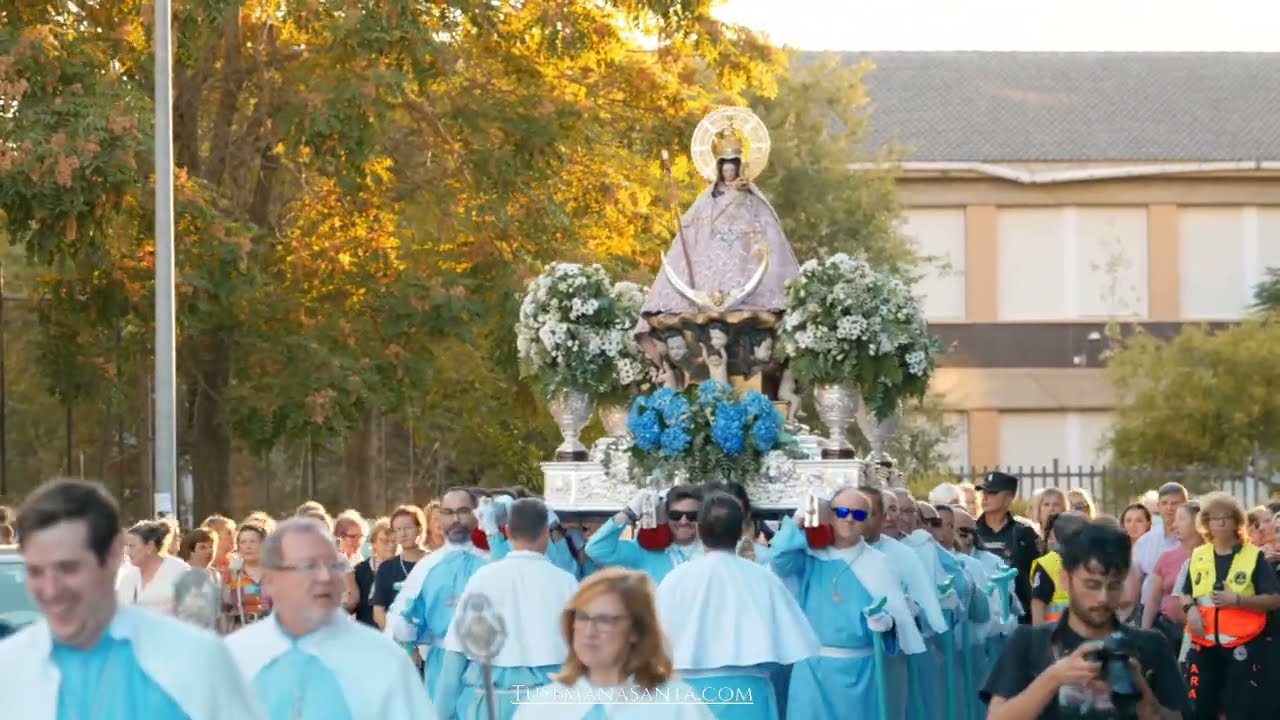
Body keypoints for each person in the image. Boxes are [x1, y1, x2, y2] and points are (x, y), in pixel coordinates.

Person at [0, 479, 261, 719]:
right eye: (35, 571)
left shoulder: (196, 659)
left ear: (114, 553)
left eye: (68, 568)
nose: (50, 589)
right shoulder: (10, 667)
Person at [225, 518, 433, 719]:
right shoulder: (235, 656)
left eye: (333, 565)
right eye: (308, 566)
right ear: (270, 580)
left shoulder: (385, 658)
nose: (325, 577)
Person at [982, 519, 1186, 720]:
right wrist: (1054, 677)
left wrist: (1141, 693)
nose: (1103, 598)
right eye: (1092, 585)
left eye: (1114, 586)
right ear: (1065, 579)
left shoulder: (1150, 644)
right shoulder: (1029, 643)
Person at [660, 491, 817, 720]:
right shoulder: (764, 579)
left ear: (699, 530)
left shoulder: (676, 579)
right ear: (740, 530)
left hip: (689, 694)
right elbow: (792, 641)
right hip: (749, 693)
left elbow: (655, 642)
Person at [436, 498, 580, 720]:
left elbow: (456, 652)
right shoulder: (566, 582)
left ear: (508, 532)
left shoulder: (484, 577)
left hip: (492, 704)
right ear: (545, 533)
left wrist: (440, 713)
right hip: (550, 705)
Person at [513, 568, 712, 719]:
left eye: (605, 620)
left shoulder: (677, 705)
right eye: (582, 617)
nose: (589, 632)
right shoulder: (541, 706)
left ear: (636, 630)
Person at [1179, 492, 1280, 720]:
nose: (1221, 522)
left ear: (1237, 522)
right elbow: (1185, 594)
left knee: (1239, 711)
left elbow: (1274, 599)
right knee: (1199, 709)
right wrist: (1190, 610)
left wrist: (1237, 600)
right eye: (1215, 518)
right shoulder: (1199, 555)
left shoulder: (1254, 556)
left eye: (1226, 517)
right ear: (1206, 523)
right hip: (1204, 645)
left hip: (1243, 646)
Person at [387, 488, 489, 701]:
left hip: (485, 666)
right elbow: (401, 625)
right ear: (439, 518)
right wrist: (406, 625)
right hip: (440, 666)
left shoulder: (492, 563)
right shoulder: (427, 566)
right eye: (448, 512)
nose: (456, 519)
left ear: (475, 514)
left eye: (463, 511)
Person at [859, 486, 947, 720]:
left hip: (896, 654)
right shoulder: (840, 549)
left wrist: (909, 613)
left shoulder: (907, 552)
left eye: (895, 510)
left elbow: (928, 606)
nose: (889, 517)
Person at [586, 485, 703, 583]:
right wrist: (629, 512)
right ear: (665, 515)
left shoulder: (709, 551)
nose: (683, 522)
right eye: (675, 515)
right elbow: (596, 549)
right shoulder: (644, 551)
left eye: (692, 516)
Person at [974, 471, 1041, 623]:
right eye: (983, 492)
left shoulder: (1025, 534)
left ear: (1008, 498)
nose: (985, 497)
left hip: (1018, 618)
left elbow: (1036, 577)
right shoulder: (970, 531)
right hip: (981, 618)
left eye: (992, 493)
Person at [1140, 502, 1200, 652]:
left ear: (1198, 523)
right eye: (1175, 520)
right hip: (1170, 632)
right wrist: (1144, 633)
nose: (1175, 525)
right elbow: (1152, 600)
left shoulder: (1212, 556)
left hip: (1203, 632)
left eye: (1181, 519)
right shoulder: (1166, 557)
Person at [1124, 483, 1188, 621]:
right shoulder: (1145, 542)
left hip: (1182, 616)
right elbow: (1134, 584)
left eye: (1174, 503)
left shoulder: (1193, 540)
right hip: (1148, 615)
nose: (1169, 508)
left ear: (1185, 505)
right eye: (1164, 503)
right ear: (1158, 506)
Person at [116, 520, 191, 616]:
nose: (128, 552)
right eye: (127, 546)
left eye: (132, 546)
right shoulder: (128, 575)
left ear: (150, 547)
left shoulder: (179, 570)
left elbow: (193, 612)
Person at [371, 504, 429, 629]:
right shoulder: (386, 568)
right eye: (398, 529)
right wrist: (393, 634)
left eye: (408, 528)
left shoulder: (435, 562)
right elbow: (378, 611)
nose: (403, 533)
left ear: (419, 529)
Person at [1029, 512, 1089, 626]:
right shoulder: (1048, 564)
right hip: (1056, 632)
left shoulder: (1092, 561)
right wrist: (1038, 634)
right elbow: (1038, 603)